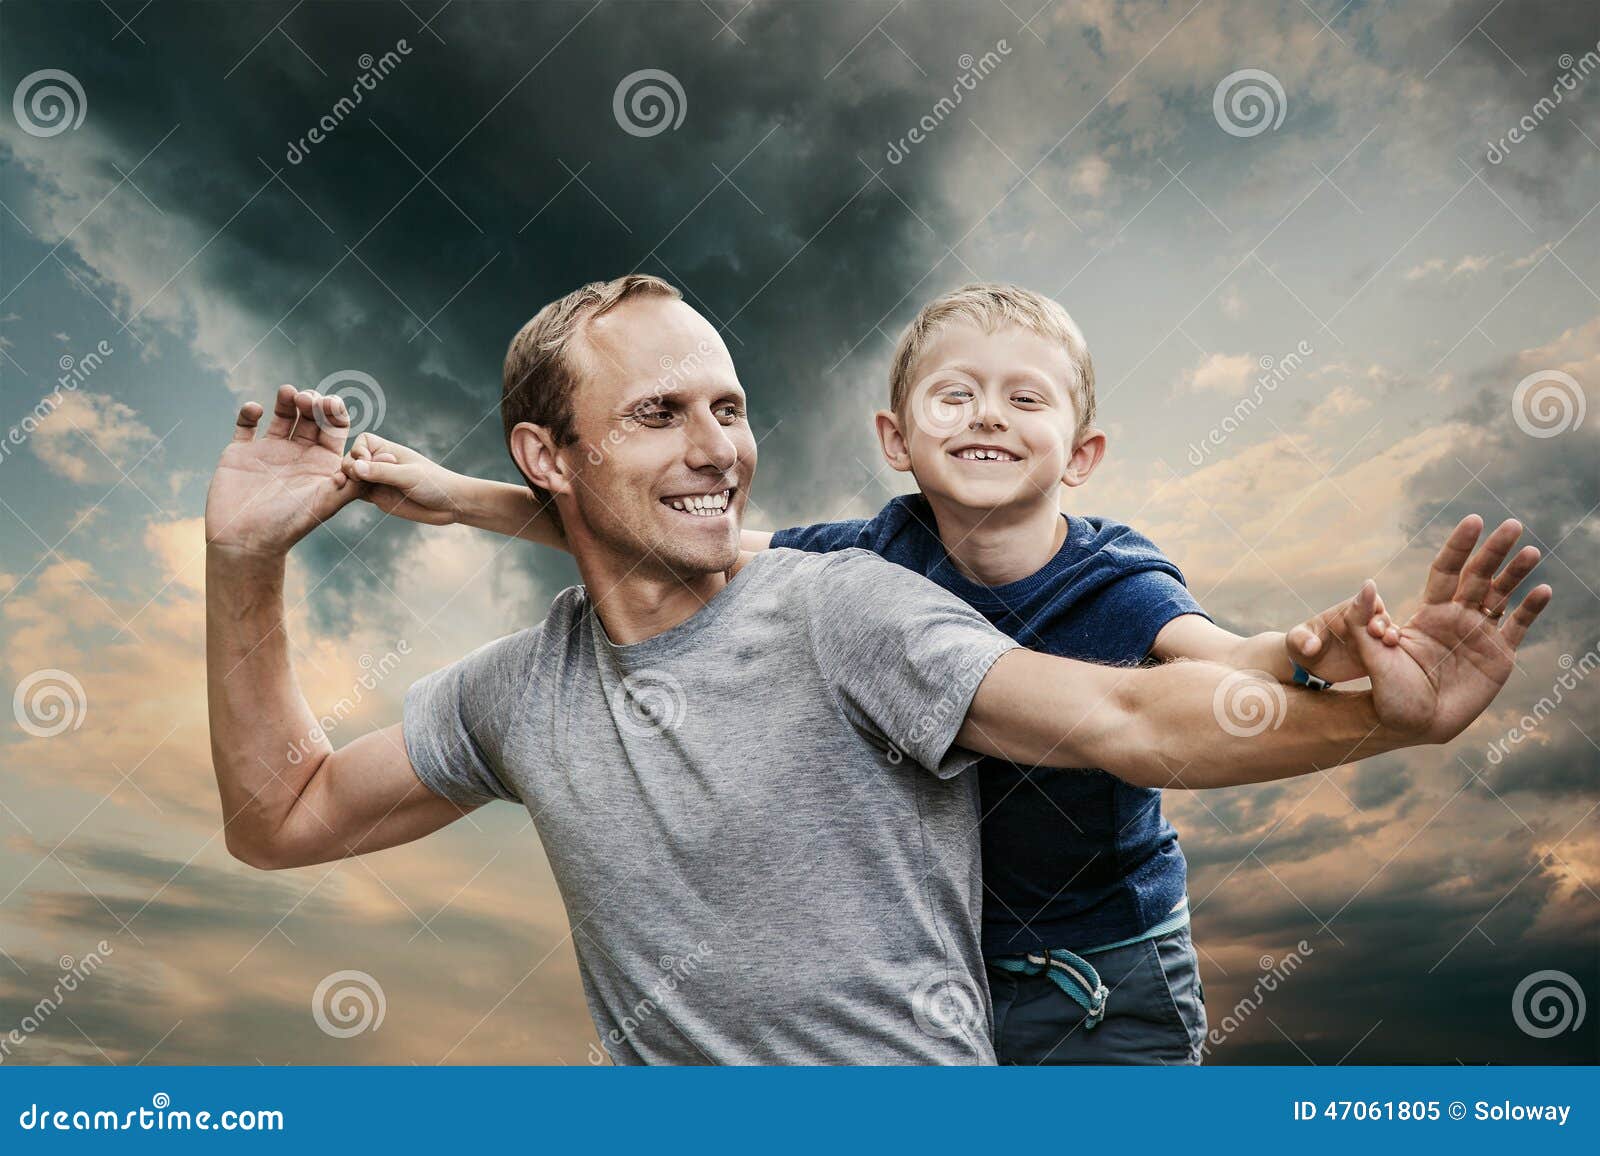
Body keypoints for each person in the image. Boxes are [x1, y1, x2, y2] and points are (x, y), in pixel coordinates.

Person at [206, 273, 1550, 1065]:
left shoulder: (850, 607)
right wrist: (246, 560)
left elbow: (1130, 715)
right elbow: (282, 816)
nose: (717, 448)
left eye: (730, 409)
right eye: (661, 412)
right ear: (547, 456)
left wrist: (1380, 718)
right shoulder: (518, 691)